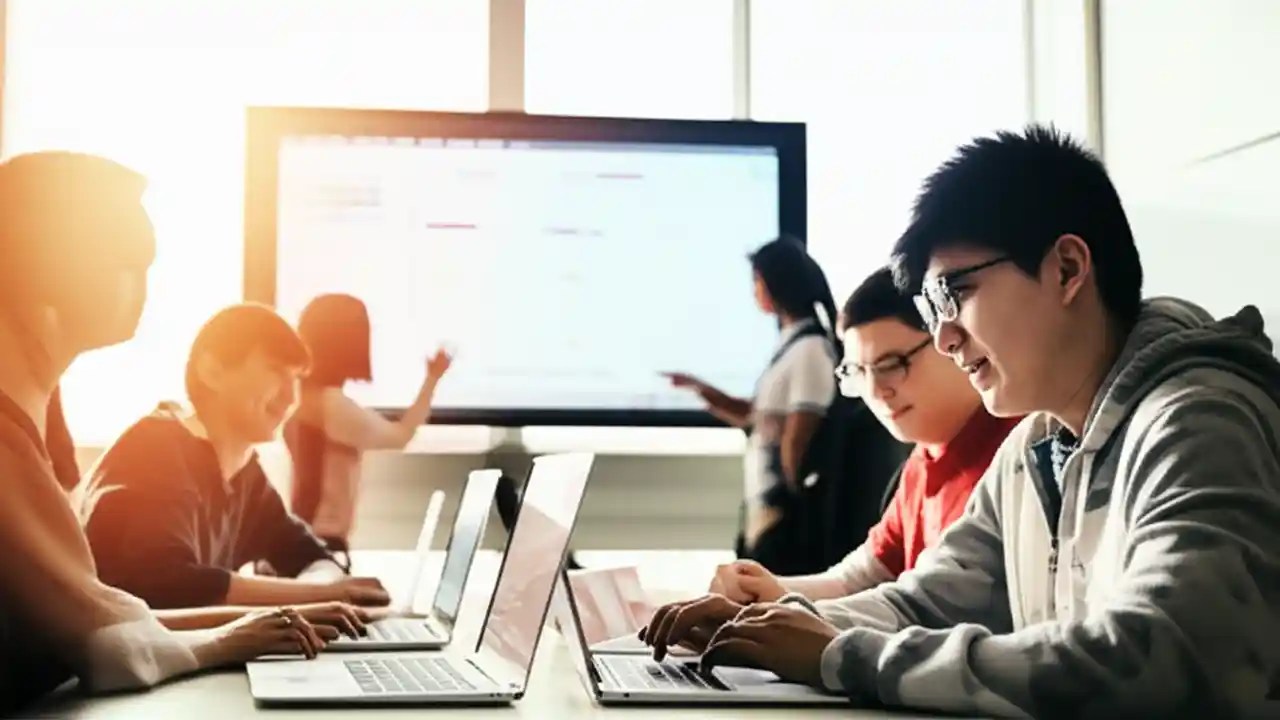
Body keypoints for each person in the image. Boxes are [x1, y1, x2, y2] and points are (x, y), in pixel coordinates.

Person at [642, 126, 1280, 717]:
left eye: (955, 294)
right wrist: (772, 623)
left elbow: (1168, 656)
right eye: (930, 305)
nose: (943, 336)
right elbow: (924, 601)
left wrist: (835, 654)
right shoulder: (1036, 445)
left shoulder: (1198, 420)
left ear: (1066, 268)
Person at [0, 152, 333, 714]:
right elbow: (106, 645)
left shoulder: (41, 420)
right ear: (47, 269)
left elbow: (96, 612)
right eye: (127, 263)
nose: (143, 286)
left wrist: (272, 614)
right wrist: (226, 641)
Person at [709, 266, 1019, 611]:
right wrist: (760, 592)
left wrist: (781, 611)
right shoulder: (924, 460)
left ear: (951, 340)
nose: (875, 391)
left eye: (891, 364)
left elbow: (923, 610)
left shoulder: (1016, 451)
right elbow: (860, 577)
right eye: (858, 372)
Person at [82, 303, 392, 611]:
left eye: (296, 378)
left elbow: (308, 555)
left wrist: (325, 588)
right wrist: (319, 596)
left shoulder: (243, 470)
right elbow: (168, 584)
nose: (290, 397)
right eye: (274, 370)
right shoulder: (155, 451)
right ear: (212, 371)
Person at [665, 237, 839, 574]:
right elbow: (754, 416)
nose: (754, 291)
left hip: (783, 516)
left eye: (756, 282)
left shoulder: (811, 349)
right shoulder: (790, 347)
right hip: (766, 509)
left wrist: (792, 507)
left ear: (774, 285)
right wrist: (701, 389)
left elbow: (797, 436)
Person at [285, 293, 452, 555]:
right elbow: (401, 436)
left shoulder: (301, 398)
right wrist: (433, 378)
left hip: (305, 538)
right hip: (323, 544)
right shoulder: (333, 406)